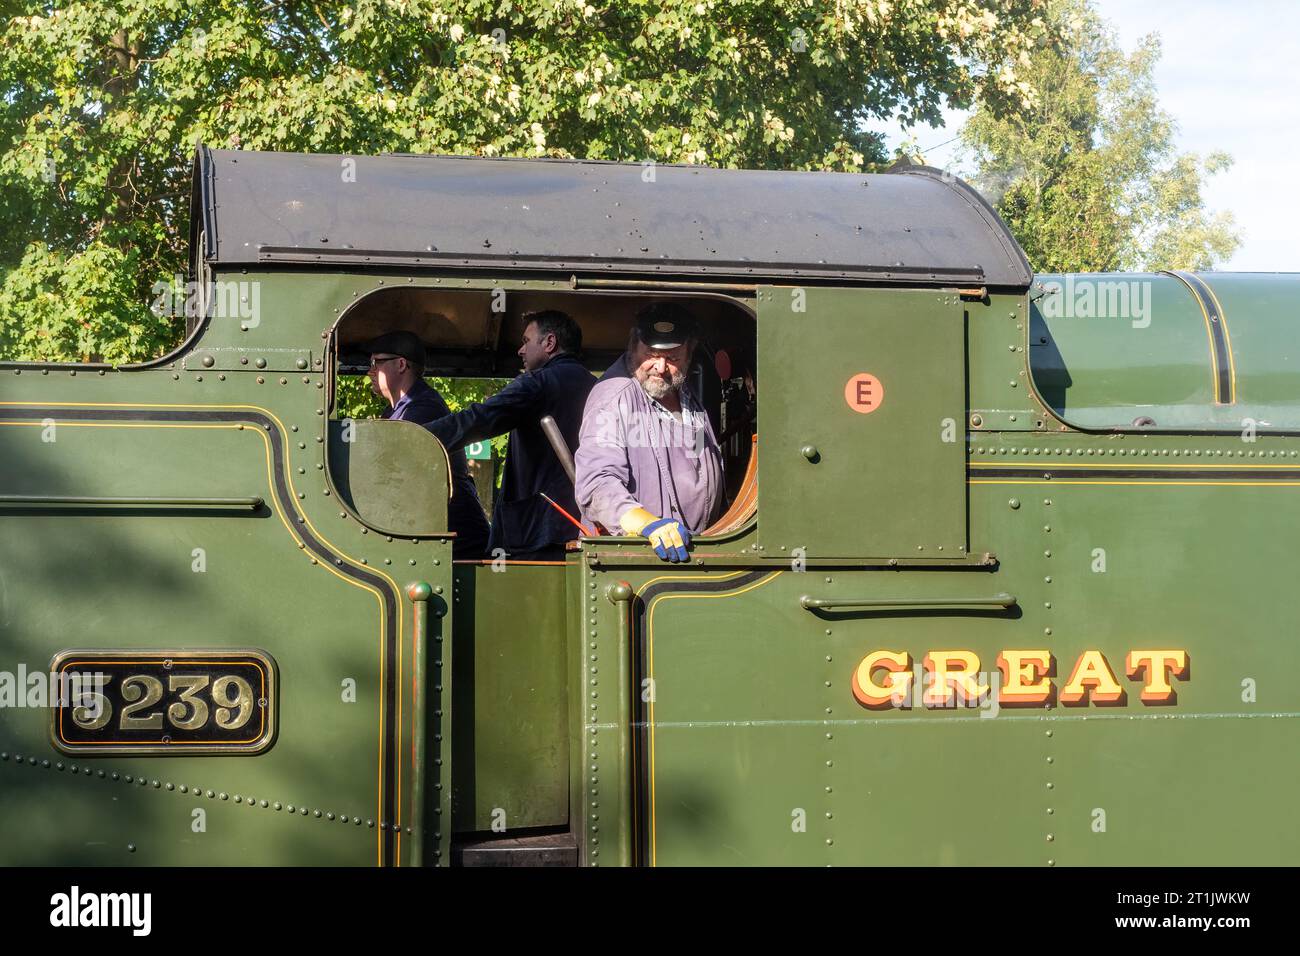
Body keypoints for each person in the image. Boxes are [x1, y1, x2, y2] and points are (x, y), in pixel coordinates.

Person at [423, 311, 596, 561]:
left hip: (535, 533)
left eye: (526, 341)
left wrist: (416, 437)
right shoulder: (598, 387)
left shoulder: (538, 383)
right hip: (586, 528)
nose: (520, 350)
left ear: (549, 342)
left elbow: (478, 419)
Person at [574, 302, 724, 562]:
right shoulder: (614, 397)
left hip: (697, 551)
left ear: (689, 354)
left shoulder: (685, 393)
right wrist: (646, 525)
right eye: (651, 354)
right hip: (647, 559)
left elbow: (699, 455)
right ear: (634, 345)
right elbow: (597, 482)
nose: (660, 367)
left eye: (673, 358)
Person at [362, 330, 490, 560]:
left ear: (401, 364)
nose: (370, 371)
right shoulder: (397, 410)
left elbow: (392, 472)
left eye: (376, 363)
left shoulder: (421, 409)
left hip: (457, 539)